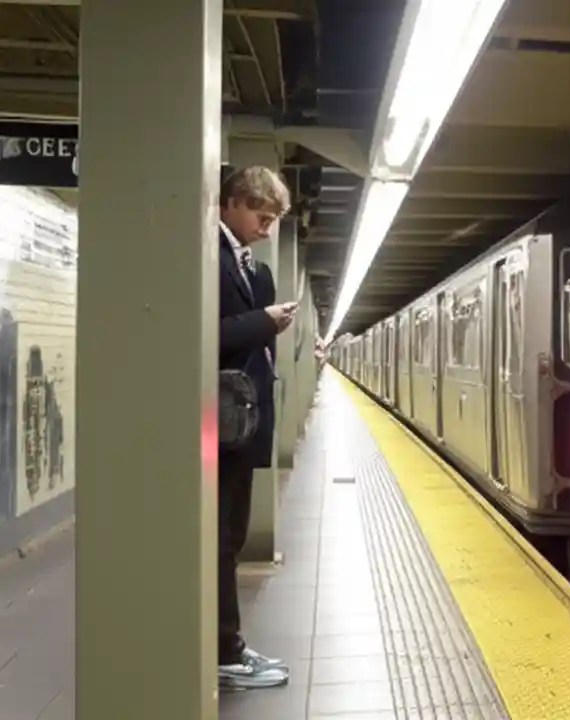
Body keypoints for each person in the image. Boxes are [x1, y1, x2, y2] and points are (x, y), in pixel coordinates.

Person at [216, 166, 297, 689]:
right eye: (261, 217)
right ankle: (224, 653)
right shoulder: (207, 256)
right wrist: (266, 319)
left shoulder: (249, 265)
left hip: (239, 428)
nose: (266, 230)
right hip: (218, 427)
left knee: (232, 538)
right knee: (220, 540)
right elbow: (199, 332)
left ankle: (230, 645)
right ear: (233, 202)